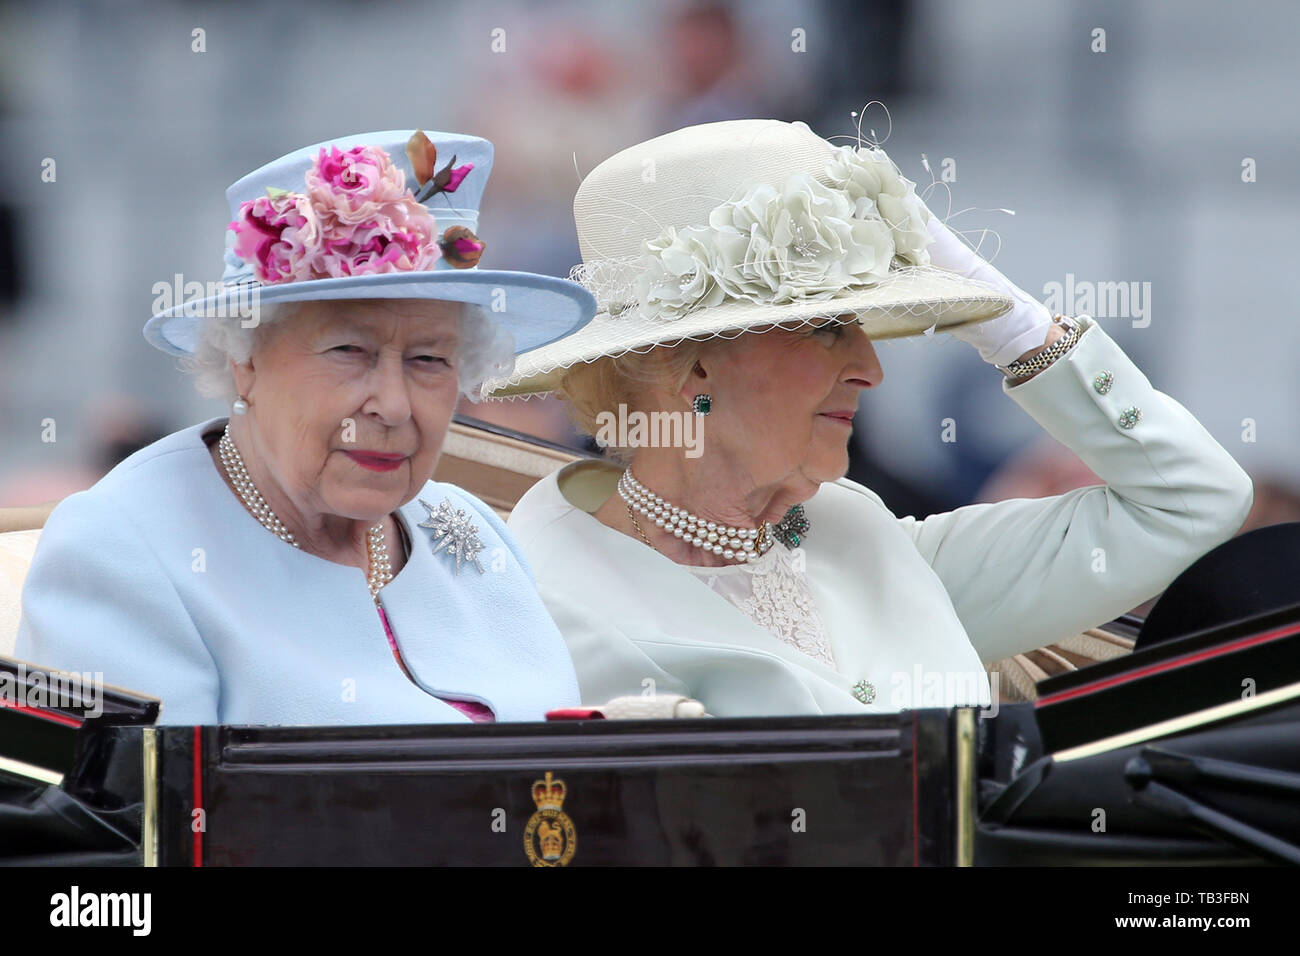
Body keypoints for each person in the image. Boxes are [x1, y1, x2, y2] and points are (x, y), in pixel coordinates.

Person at [489, 119, 1254, 716]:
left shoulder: (868, 539)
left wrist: (1010, 324)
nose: (872, 368)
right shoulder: (554, 605)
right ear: (691, 366)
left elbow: (1191, 500)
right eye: (827, 328)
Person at [16, 130, 597, 725]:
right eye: (349, 350)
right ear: (246, 360)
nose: (393, 406)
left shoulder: (471, 530)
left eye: (429, 360)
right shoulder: (123, 550)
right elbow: (142, 815)